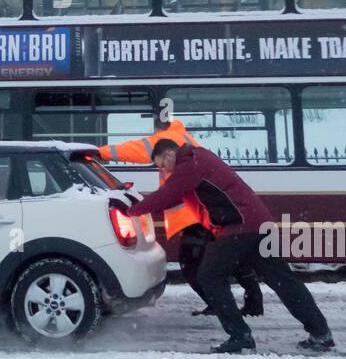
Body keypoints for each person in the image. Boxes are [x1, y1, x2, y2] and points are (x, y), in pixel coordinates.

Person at [126, 139, 335, 355]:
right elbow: (175, 196)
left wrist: (132, 211)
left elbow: (167, 194)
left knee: (208, 276)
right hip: (258, 224)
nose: (162, 170)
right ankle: (321, 333)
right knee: (283, 280)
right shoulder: (199, 158)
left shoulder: (188, 164)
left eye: (161, 164)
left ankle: (240, 336)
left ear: (170, 154)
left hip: (240, 227)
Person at [100, 117, 262, 319]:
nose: (161, 169)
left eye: (160, 165)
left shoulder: (167, 139)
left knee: (194, 266)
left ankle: (221, 307)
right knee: (229, 260)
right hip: (201, 217)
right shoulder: (184, 137)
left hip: (192, 218)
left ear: (159, 127)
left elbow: (132, 151)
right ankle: (251, 301)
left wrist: (99, 152)